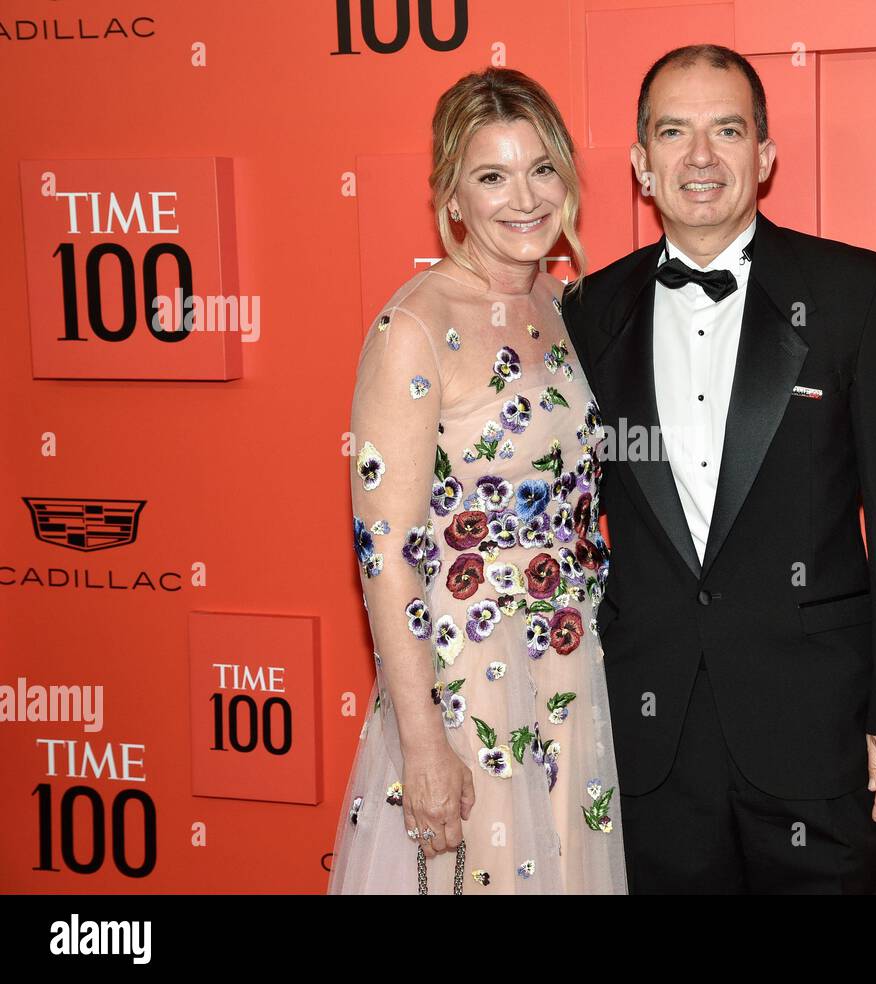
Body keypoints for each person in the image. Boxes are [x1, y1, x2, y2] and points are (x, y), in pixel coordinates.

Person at [561, 44, 876, 894]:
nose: (700, 156)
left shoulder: (860, 293)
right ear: (641, 163)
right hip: (650, 741)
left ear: (765, 156)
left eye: (726, 130)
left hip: (823, 733)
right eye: (674, 132)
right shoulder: (584, 313)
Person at [327, 67, 627, 894]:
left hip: (572, 661)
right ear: (451, 197)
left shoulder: (565, 304)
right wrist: (421, 741)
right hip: (470, 678)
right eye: (491, 176)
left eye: (541, 169)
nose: (523, 197)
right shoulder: (415, 328)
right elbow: (382, 550)